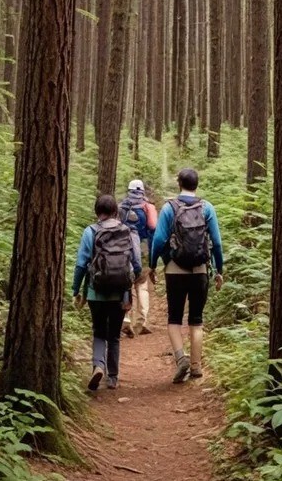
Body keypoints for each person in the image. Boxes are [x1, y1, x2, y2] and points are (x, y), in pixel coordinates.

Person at [150, 168, 224, 383]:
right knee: (196, 320)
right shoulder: (207, 207)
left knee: (174, 317)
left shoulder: (169, 208)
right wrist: (219, 270)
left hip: (175, 270)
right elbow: (217, 243)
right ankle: (196, 366)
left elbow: (158, 240)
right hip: (200, 270)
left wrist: (153, 265)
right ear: (196, 184)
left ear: (179, 183)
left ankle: (180, 357)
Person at [73, 194, 141, 391]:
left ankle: (98, 365)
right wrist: (129, 284)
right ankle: (112, 377)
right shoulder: (127, 231)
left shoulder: (90, 231)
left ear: (97, 212)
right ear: (116, 212)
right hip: (120, 292)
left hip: (96, 292)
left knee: (99, 332)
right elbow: (136, 264)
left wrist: (76, 288)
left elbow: (80, 264)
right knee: (114, 335)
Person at [118, 178, 157, 337]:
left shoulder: (121, 206)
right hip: (143, 248)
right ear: (143, 191)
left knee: (126, 283)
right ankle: (142, 321)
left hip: (122, 248)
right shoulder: (148, 206)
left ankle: (126, 318)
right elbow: (154, 227)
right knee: (141, 285)